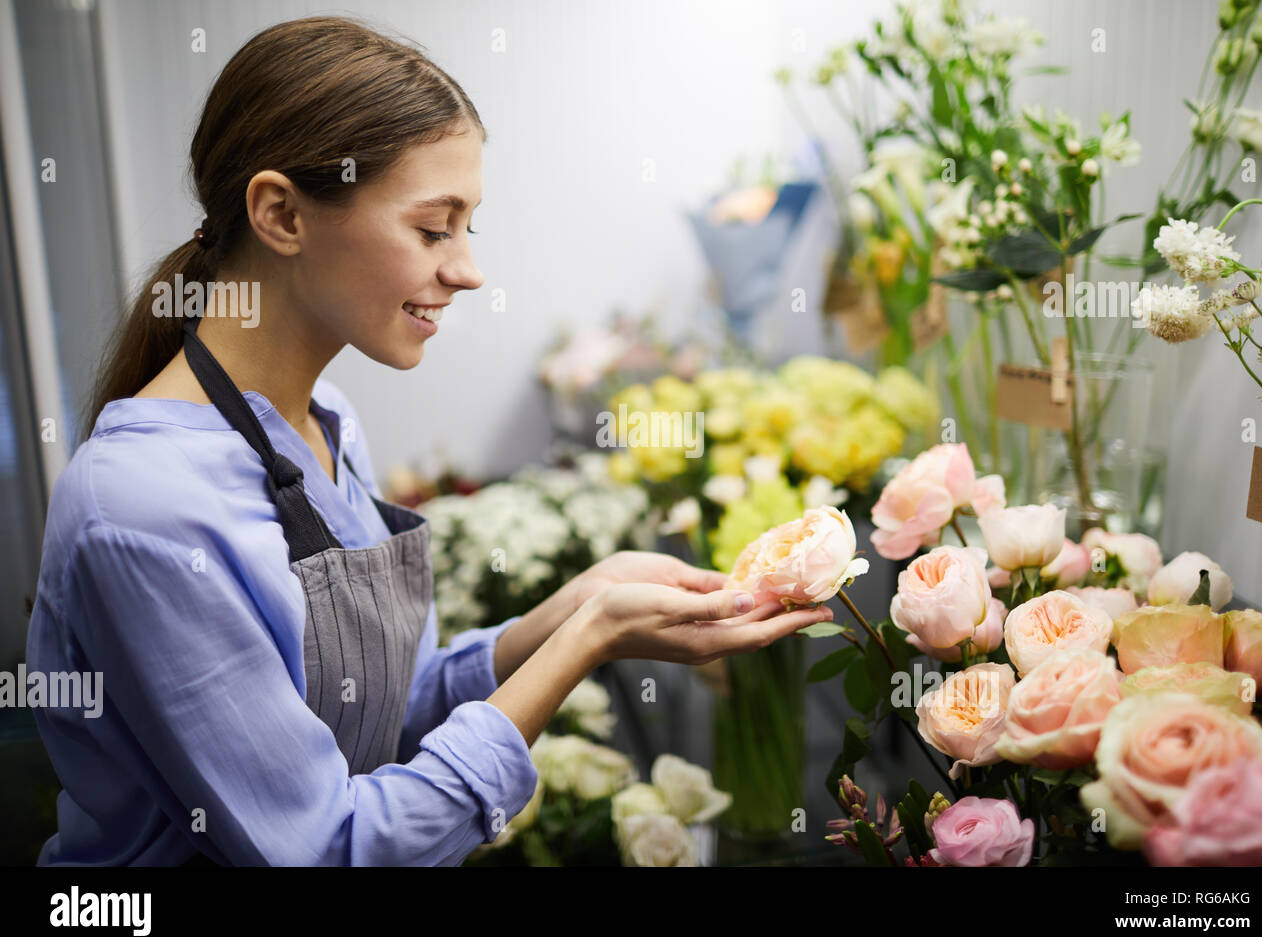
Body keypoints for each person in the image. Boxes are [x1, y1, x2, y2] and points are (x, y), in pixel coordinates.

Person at [25, 14, 833, 866]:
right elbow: (326, 848)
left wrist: (570, 611)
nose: (467, 270)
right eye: (431, 227)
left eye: (467, 227)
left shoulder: (324, 425)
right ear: (281, 214)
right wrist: (587, 637)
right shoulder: (143, 509)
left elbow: (392, 710)